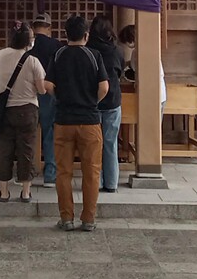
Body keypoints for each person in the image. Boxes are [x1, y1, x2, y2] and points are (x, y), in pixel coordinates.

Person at [44, 15, 109, 232]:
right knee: (91, 172)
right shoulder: (94, 55)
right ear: (86, 35)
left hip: (63, 120)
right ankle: (88, 218)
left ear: (66, 34)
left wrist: (61, 98)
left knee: (63, 172)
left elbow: (47, 85)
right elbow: (104, 87)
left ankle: (66, 218)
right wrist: (91, 102)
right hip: (89, 120)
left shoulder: (58, 54)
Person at [0, 22, 45, 204]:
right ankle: (26, 192)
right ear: (28, 41)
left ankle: (4, 192)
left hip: (4, 110)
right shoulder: (32, 61)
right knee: (26, 150)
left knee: (5, 150)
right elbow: (42, 89)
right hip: (27, 109)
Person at [88, 15, 125, 193]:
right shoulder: (117, 51)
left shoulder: (88, 51)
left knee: (92, 144)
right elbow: (120, 72)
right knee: (110, 143)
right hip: (112, 100)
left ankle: (94, 181)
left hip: (91, 101)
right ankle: (111, 182)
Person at [29, 13, 60, 186]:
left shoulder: (27, 45)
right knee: (49, 133)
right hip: (50, 93)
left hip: (28, 94)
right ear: (49, 28)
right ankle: (50, 173)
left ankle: (26, 172)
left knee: (27, 133)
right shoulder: (57, 46)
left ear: (33, 28)